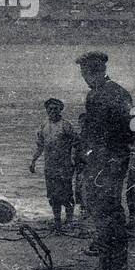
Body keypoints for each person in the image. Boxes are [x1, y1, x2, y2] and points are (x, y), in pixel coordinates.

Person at [76, 50, 135, 270]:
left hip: (104, 161)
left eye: (84, 72)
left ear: (92, 71)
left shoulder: (99, 95)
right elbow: (132, 128)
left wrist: (90, 155)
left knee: (105, 211)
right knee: (110, 210)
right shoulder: (119, 92)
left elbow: (95, 133)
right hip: (113, 159)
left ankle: (110, 267)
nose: (84, 76)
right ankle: (114, 264)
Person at [29, 98, 78, 231]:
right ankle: (57, 221)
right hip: (50, 166)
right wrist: (33, 161)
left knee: (67, 193)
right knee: (52, 194)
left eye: (55, 109)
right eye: (50, 109)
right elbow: (40, 146)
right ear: (46, 110)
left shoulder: (66, 125)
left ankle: (69, 221)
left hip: (65, 165)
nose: (52, 111)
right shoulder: (43, 126)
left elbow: (76, 143)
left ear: (60, 110)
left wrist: (73, 159)